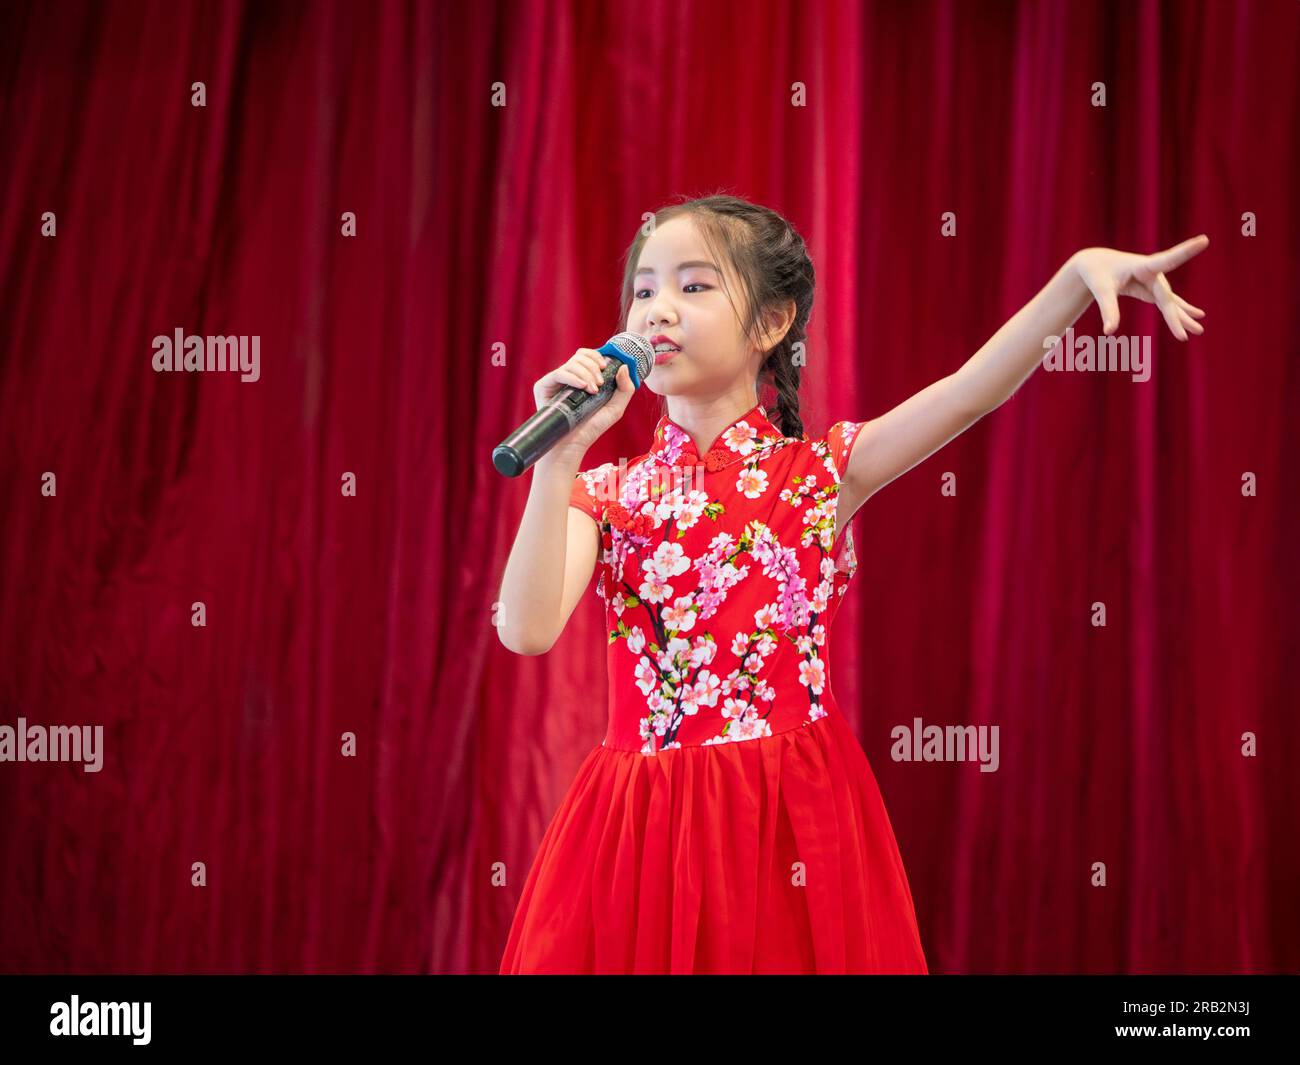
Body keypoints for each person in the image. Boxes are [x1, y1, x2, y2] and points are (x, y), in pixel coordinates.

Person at [495, 194, 1208, 974]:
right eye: (644, 288)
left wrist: (1073, 281)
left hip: (787, 819)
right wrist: (560, 455)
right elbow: (525, 629)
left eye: (694, 287)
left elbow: (971, 389)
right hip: (637, 827)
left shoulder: (820, 473)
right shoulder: (609, 490)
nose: (658, 309)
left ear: (771, 324)